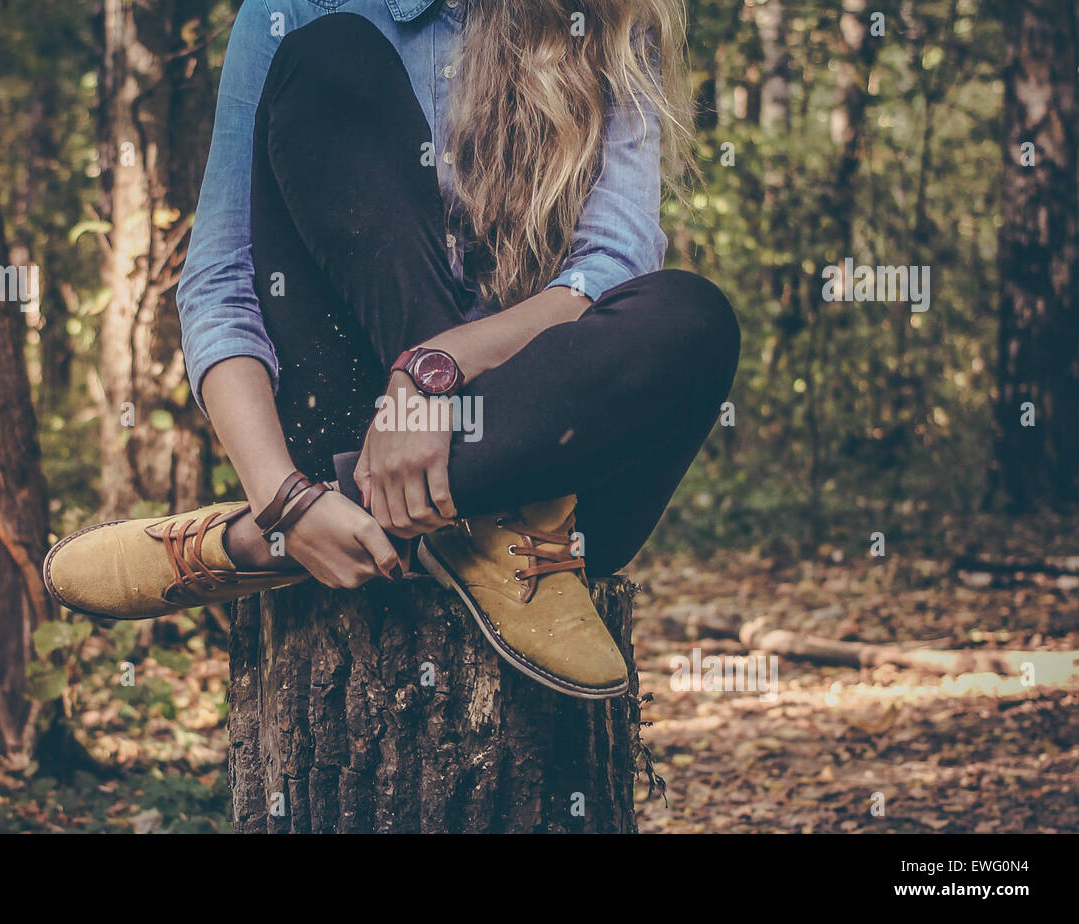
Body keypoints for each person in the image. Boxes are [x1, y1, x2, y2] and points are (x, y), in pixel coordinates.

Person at [44, 0, 740, 699]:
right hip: (355, 418)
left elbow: (613, 261)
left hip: (543, 471)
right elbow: (222, 280)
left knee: (693, 317)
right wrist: (280, 491)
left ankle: (252, 548)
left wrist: (433, 374)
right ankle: (421, 520)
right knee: (331, 59)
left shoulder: (610, 13)